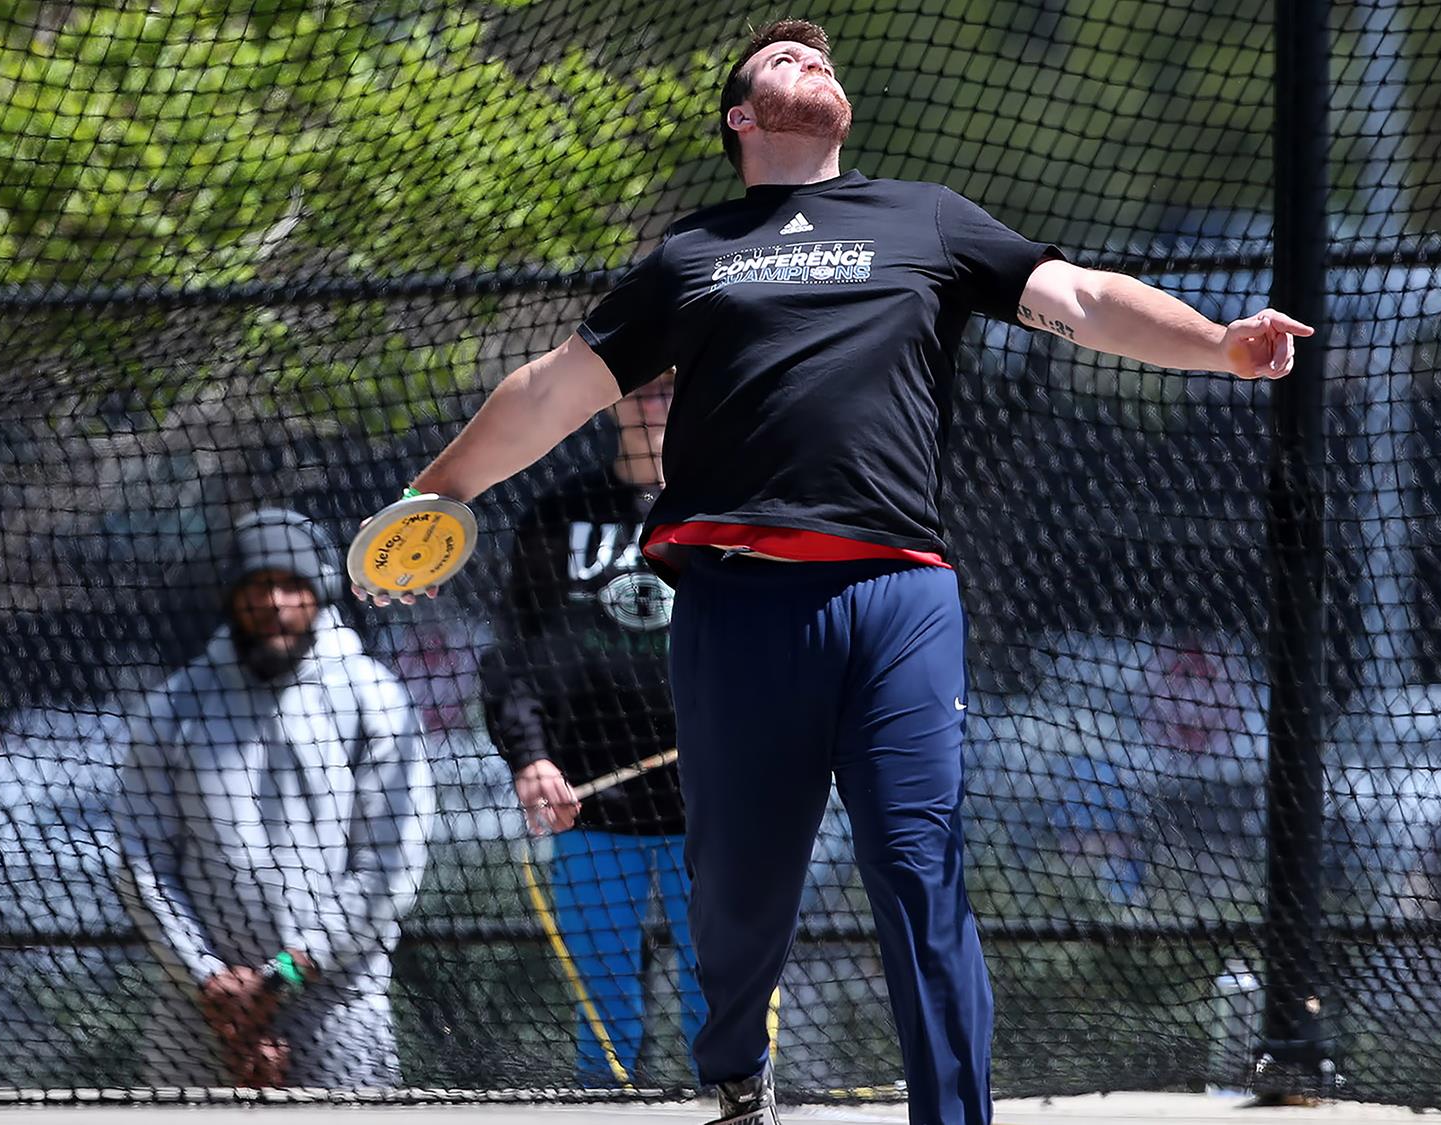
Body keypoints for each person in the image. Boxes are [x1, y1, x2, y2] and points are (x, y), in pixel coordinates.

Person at [373, 18, 1312, 1124]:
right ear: (740, 116)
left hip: (898, 599)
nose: (810, 63)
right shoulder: (692, 253)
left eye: (820, 60)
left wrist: (1215, 342)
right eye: (781, 61)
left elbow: (1086, 299)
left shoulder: (925, 216)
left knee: (919, 873)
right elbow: (548, 390)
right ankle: (733, 1073)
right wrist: (434, 496)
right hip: (735, 604)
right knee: (736, 895)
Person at [119, 508, 436, 1088]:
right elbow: (143, 859)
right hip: (201, 1010)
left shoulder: (374, 699)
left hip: (338, 1006)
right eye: (257, 586)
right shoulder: (172, 708)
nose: (275, 603)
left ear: (320, 593)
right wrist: (207, 976)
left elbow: (391, 865)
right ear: (231, 597)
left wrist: (289, 970)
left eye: (292, 585)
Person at [480, 377, 708, 1087]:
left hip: (715, 810)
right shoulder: (558, 515)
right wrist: (530, 757)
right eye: (641, 382)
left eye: (675, 382)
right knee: (604, 1032)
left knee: (727, 1006)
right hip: (589, 810)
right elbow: (512, 656)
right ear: (611, 398)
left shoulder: (730, 505)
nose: (656, 396)